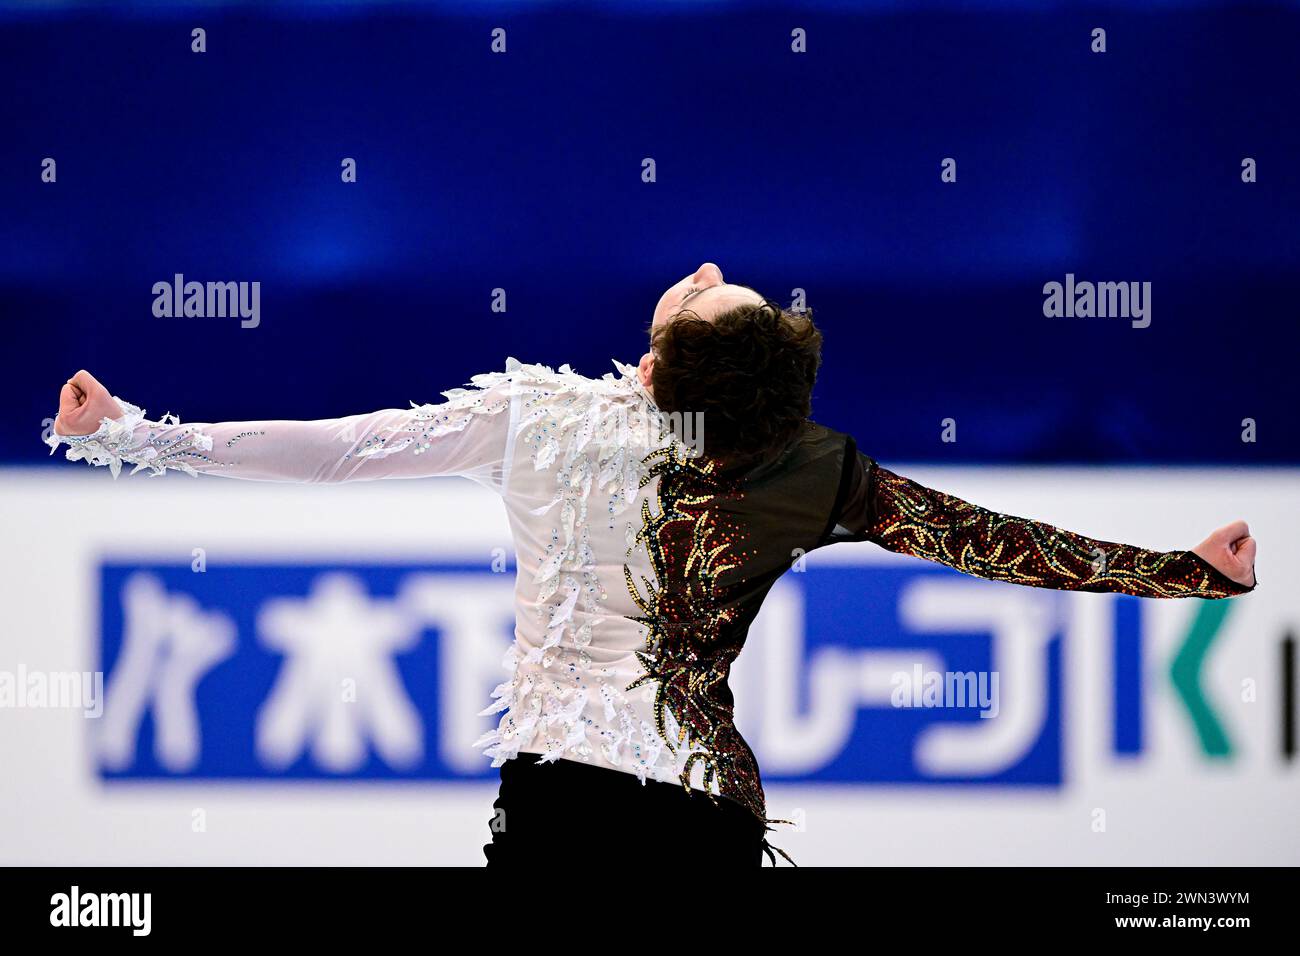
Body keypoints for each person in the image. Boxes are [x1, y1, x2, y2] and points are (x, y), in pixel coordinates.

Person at [47, 262, 1257, 866]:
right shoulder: (804, 463)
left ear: (666, 359)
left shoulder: (537, 419)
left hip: (568, 805)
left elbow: (335, 455)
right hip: (705, 821)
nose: (706, 267)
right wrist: (1184, 570)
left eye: (711, 295)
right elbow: (992, 542)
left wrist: (137, 433)